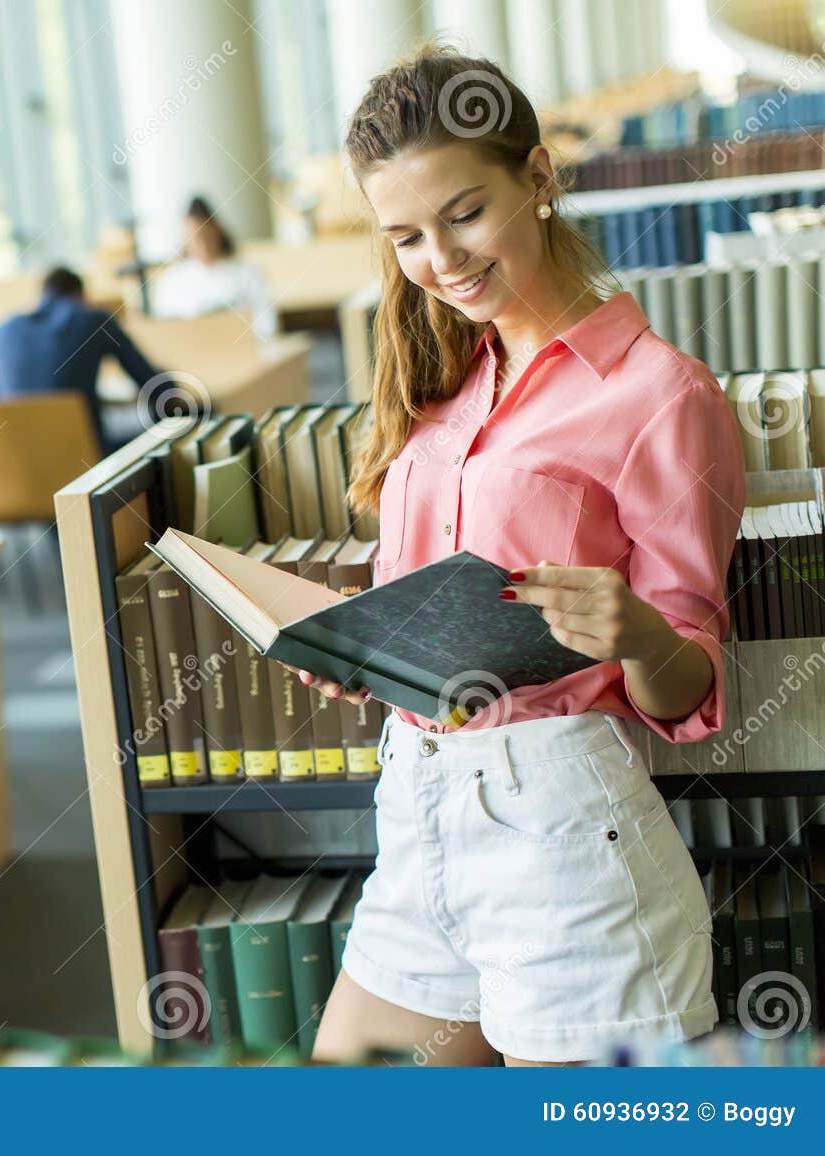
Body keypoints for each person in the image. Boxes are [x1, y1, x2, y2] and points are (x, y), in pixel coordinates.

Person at [304, 49, 743, 1066]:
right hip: (415, 815)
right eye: (404, 235)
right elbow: (427, 602)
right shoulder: (441, 382)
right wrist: (356, 650)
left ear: (537, 179)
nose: (439, 258)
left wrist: (636, 632)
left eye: (463, 213)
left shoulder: (659, 396)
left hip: (563, 844)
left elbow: (689, 688)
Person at [0, 266, 164, 454]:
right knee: (155, 433)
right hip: (85, 466)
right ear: (80, 296)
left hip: (18, 465)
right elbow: (150, 382)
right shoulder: (94, 319)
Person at [150, 195, 277, 340]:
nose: (203, 245)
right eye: (196, 238)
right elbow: (167, 331)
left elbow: (266, 324)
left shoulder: (247, 273)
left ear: (217, 231)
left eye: (206, 235)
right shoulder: (171, 281)